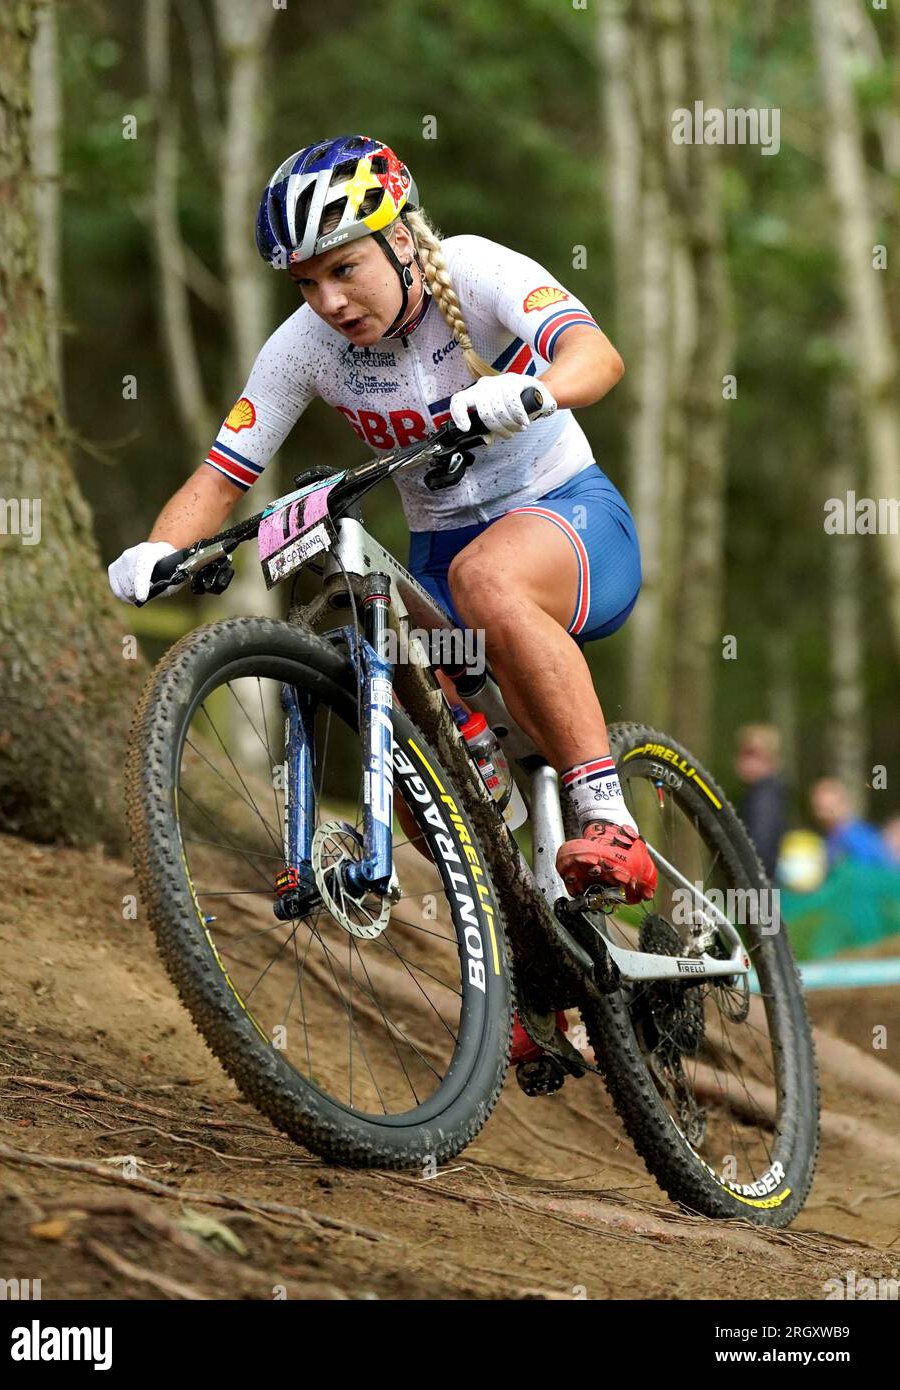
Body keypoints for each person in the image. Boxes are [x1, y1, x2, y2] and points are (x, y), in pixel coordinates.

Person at [108, 134, 656, 1059]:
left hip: (567, 517)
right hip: (441, 553)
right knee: (406, 730)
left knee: (488, 580)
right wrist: (158, 553)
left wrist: (528, 392)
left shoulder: (476, 270)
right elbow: (222, 471)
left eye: (344, 268)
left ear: (401, 237)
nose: (329, 300)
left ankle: (610, 819)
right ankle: (531, 964)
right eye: (306, 283)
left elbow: (597, 359)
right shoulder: (304, 348)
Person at [733, 724, 787, 879]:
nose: (743, 760)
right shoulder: (758, 793)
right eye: (742, 752)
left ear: (771, 759)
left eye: (752, 754)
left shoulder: (764, 797)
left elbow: (760, 848)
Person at [809, 777, 891, 869]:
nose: (821, 815)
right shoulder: (830, 838)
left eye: (827, 808)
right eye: (818, 808)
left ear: (843, 803)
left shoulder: (859, 837)